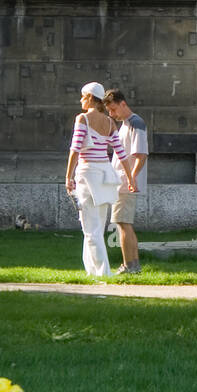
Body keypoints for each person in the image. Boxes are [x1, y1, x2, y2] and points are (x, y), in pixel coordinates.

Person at [65, 82, 135, 279]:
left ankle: (103, 272)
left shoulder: (83, 119)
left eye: (82, 96)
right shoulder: (110, 122)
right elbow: (121, 154)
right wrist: (130, 179)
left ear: (89, 97)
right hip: (106, 175)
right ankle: (92, 270)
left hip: (89, 174)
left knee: (90, 228)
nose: (80, 100)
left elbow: (75, 149)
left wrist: (68, 176)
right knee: (95, 227)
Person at [104, 89, 149, 275]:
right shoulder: (126, 124)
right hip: (123, 181)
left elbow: (141, 154)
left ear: (123, 103)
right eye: (109, 111)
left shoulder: (135, 123)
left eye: (114, 109)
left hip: (126, 182)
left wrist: (131, 178)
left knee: (123, 223)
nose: (112, 114)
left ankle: (129, 265)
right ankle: (133, 265)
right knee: (124, 223)